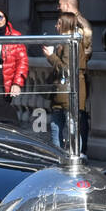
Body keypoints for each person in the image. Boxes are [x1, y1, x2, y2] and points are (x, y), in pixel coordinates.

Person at [43, 12, 89, 151]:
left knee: (70, 129)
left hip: (68, 91)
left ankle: (70, 157)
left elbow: (66, 69)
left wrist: (50, 56)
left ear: (64, 24)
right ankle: (58, 156)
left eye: (58, 23)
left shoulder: (70, 42)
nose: (55, 26)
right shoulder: (67, 41)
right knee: (57, 126)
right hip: (62, 92)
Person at [0, 7, 28, 98]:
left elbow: (22, 62)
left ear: (5, 19)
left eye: (0, 17)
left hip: (5, 83)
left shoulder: (15, 36)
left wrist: (17, 83)